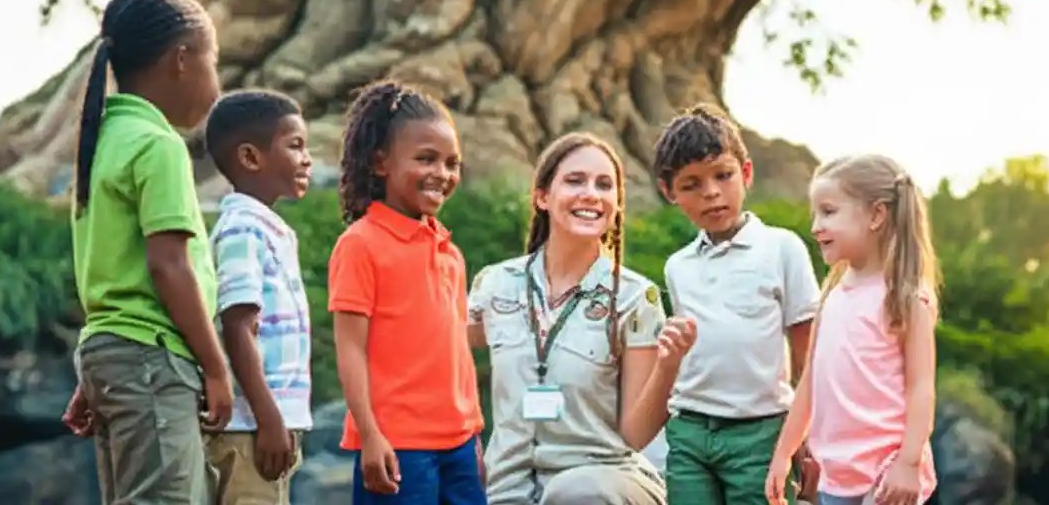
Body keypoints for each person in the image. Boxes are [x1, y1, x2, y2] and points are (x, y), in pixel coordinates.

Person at [60, 0, 233, 504]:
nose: (215, 81)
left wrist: (100, 369)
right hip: (155, 360)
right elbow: (168, 266)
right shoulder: (158, 146)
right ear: (182, 60)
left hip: (114, 353)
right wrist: (216, 367)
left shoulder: (104, 139)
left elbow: (114, 274)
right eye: (212, 62)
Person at [469, 132, 698, 505]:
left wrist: (668, 366)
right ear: (542, 197)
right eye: (575, 180)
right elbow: (444, 358)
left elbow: (635, 435)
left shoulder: (636, 298)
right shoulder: (495, 285)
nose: (591, 193)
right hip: (507, 489)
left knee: (574, 494)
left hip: (605, 481)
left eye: (604, 185)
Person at [326, 80, 486, 505]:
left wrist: (473, 435)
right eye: (426, 159)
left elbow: (457, 355)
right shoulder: (360, 243)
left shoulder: (449, 251)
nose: (443, 174)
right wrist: (370, 435)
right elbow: (351, 349)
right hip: (398, 448)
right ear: (381, 163)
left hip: (459, 447)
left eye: (452, 163)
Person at [652, 104, 821, 505]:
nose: (711, 192)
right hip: (690, 430)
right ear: (669, 192)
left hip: (760, 433)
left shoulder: (782, 248)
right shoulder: (677, 266)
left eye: (722, 176)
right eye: (691, 184)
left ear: (745, 173)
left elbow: (807, 355)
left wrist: (806, 438)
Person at [765, 155, 941, 505]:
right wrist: (784, 453)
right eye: (815, 214)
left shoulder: (905, 296)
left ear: (876, 215)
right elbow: (811, 381)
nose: (816, 225)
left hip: (888, 471)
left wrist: (908, 462)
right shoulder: (832, 295)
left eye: (829, 212)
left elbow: (922, 387)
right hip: (838, 473)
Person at [203, 90, 315, 504]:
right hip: (252, 426)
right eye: (295, 145)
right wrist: (268, 418)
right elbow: (237, 326)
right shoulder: (241, 228)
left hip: (271, 423)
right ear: (251, 158)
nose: (307, 158)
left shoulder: (269, 228)